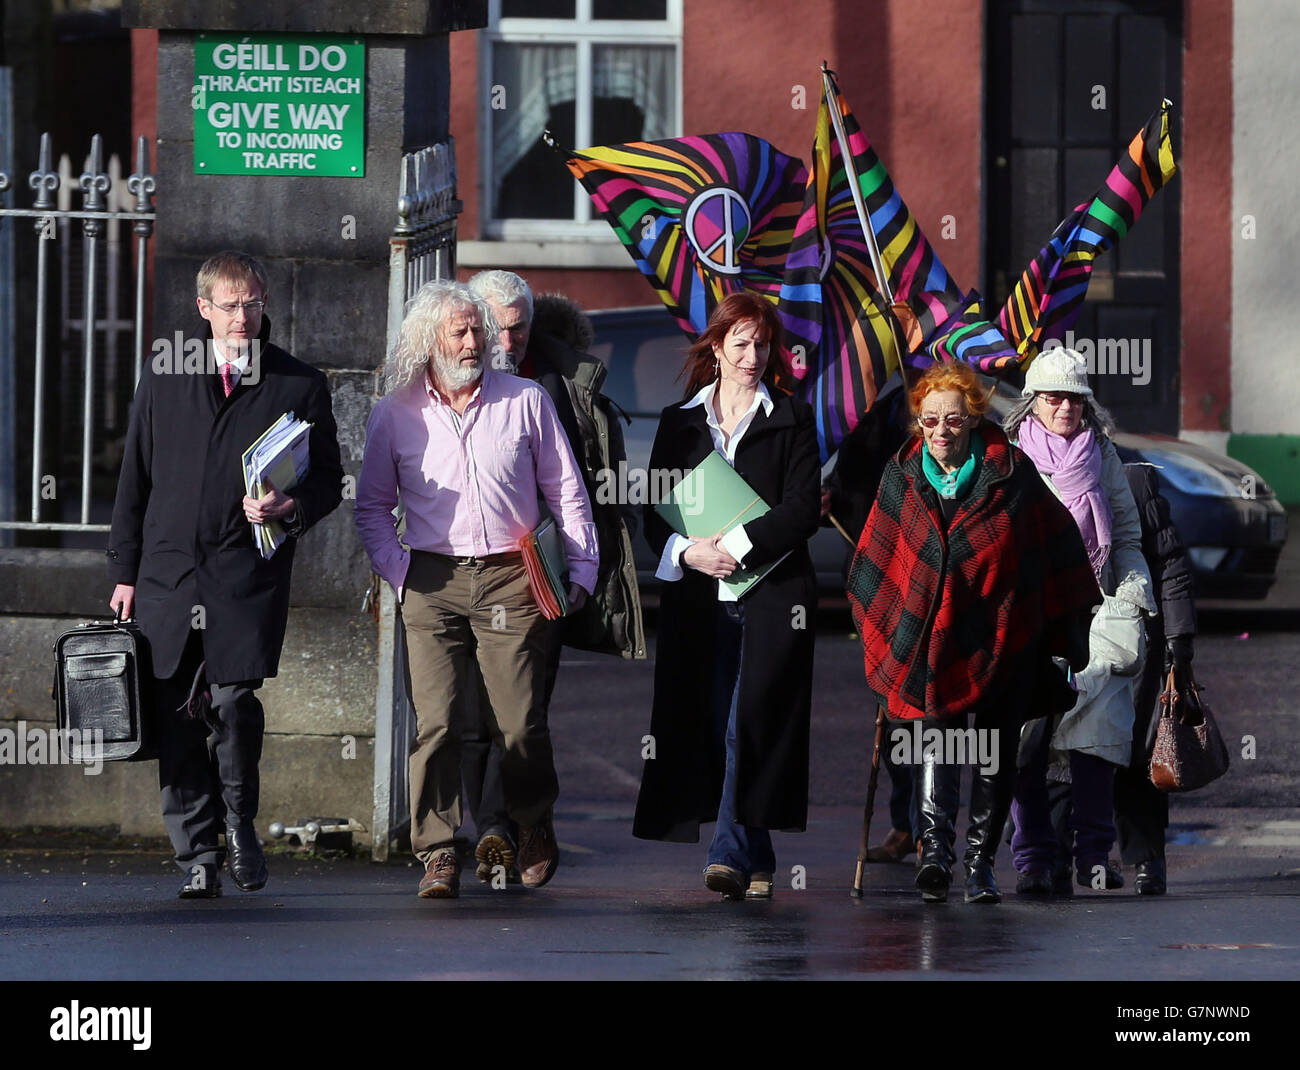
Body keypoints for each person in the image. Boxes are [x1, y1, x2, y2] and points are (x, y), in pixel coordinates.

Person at [108, 250, 343, 898]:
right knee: (176, 713)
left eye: (254, 304)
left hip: (245, 573)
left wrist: (289, 506)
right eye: (231, 305)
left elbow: (328, 481)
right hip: (167, 574)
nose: (244, 316)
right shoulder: (164, 376)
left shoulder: (297, 383)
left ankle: (239, 822)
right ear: (204, 307)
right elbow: (134, 480)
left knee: (235, 703)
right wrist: (123, 569)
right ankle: (196, 854)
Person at [354, 280, 598, 899]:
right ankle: (438, 851)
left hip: (511, 579)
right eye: (459, 331)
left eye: (477, 331)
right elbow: (373, 507)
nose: (473, 342)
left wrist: (583, 569)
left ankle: (532, 822)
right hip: (431, 580)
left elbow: (566, 490)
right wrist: (401, 571)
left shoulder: (525, 399)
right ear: (428, 340)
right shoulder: (394, 413)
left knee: (518, 723)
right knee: (436, 724)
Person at [847, 360, 1099, 904]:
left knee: (995, 746)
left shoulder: (1010, 470)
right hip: (928, 635)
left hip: (1003, 634)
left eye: (954, 421)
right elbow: (877, 558)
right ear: (918, 421)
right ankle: (934, 855)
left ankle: (980, 865)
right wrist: (884, 623)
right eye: (930, 420)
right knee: (935, 732)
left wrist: (1058, 620)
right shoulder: (901, 474)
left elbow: (1055, 542)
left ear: (973, 418)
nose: (941, 432)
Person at [633, 291, 820, 901]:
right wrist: (690, 553)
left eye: (762, 344)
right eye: (739, 343)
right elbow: (655, 516)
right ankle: (756, 851)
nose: (752, 355)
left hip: (773, 595)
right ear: (715, 347)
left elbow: (803, 509)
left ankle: (730, 856)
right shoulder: (678, 421)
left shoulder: (793, 418)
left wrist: (735, 545)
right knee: (713, 724)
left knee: (752, 722)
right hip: (697, 601)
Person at [460, 270, 644, 882]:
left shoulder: (563, 383)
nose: (508, 340)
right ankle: (498, 826)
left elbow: (584, 484)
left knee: (523, 709)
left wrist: (586, 568)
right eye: (498, 328)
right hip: (463, 568)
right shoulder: (449, 378)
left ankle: (511, 827)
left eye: (519, 327)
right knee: (469, 712)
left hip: (541, 571)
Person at [1006, 347, 1156, 895]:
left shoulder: (1105, 455)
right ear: (1034, 404)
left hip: (1097, 609)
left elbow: (1128, 536)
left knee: (1097, 743)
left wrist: (1133, 596)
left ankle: (1093, 857)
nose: (1065, 407)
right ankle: (1033, 862)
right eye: (1054, 397)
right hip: (1031, 614)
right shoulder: (1009, 458)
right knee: (1028, 742)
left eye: (1074, 397)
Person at [820, 383, 916, 863]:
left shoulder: (939, 401)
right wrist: (827, 498)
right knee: (894, 705)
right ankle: (907, 824)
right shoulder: (867, 409)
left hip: (930, 577)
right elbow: (846, 487)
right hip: (877, 580)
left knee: (937, 708)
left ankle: (934, 829)